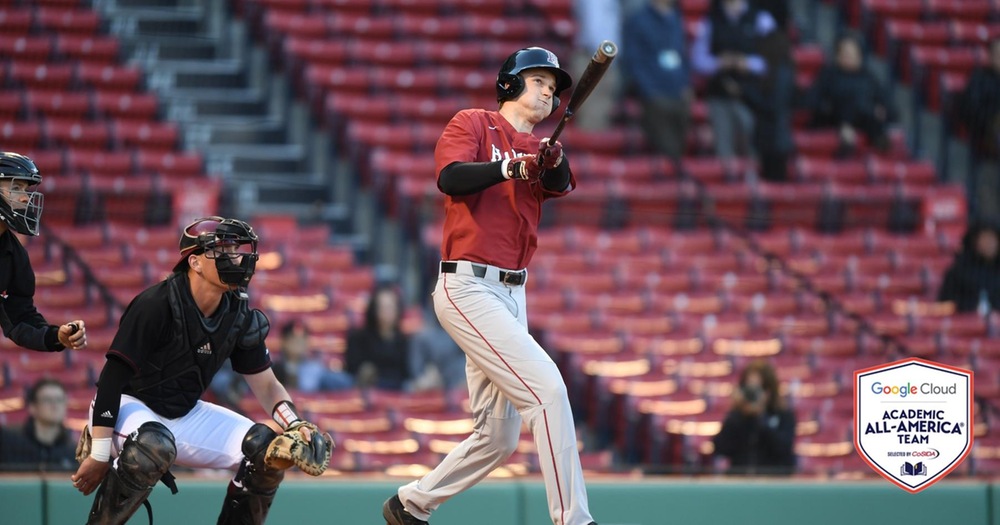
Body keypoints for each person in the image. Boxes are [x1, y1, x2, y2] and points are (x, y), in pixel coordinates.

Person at [382, 47, 597, 525]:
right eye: (539, 79)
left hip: (512, 293)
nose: (548, 90)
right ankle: (574, 520)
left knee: (498, 437)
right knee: (547, 392)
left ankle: (411, 504)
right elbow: (450, 177)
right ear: (510, 83)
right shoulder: (474, 123)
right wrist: (512, 167)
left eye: (553, 86)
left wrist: (549, 159)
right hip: (468, 285)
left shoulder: (539, 150)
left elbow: (561, 183)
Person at [71, 216, 328, 525]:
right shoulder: (157, 303)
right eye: (222, 250)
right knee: (153, 444)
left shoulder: (238, 313)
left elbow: (267, 385)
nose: (234, 257)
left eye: (235, 249)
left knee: (265, 450)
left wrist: (295, 424)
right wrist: (100, 453)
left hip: (182, 412)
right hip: (127, 405)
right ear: (194, 261)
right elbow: (111, 380)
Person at [0, 151, 87, 353]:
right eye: (15, 187)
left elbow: (19, 319)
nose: (24, 197)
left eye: (25, 189)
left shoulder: (15, 256)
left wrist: (57, 336)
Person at [691, 0, 777, 159]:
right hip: (720, 95)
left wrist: (747, 63)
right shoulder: (711, 19)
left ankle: (753, 182)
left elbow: (776, 59)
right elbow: (697, 60)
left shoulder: (761, 18)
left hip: (753, 96)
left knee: (754, 150)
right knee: (723, 153)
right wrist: (719, 62)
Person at [621, 0, 693, 162]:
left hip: (678, 93)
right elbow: (634, 60)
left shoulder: (675, 18)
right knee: (666, 149)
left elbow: (682, 54)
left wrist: (686, 84)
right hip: (654, 96)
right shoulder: (638, 20)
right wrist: (649, 90)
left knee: (679, 147)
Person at [804, 32, 896, 156]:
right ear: (837, 55)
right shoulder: (828, 75)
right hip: (833, 122)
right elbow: (812, 101)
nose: (849, 57)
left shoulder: (869, 78)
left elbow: (891, 110)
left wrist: (883, 112)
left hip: (864, 122)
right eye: (845, 54)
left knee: (867, 111)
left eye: (853, 54)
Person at [712, 359, 796, 475]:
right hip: (741, 480)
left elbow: (783, 449)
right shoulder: (736, 417)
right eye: (749, 389)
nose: (752, 394)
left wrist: (761, 418)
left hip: (773, 480)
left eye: (757, 388)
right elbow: (720, 448)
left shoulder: (783, 415)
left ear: (768, 391)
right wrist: (739, 414)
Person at [0, 378, 77, 471]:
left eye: (59, 400)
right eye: (47, 400)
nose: (55, 406)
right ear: (32, 407)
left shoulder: (73, 451)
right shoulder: (8, 441)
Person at [345, 284, 411, 390]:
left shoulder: (405, 342)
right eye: (383, 307)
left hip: (397, 391)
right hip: (363, 390)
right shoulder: (358, 338)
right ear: (374, 309)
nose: (387, 312)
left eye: (391, 307)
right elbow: (351, 369)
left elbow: (407, 374)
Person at [570, 0, 621, 131]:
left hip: (605, 56)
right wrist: (605, 56)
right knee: (592, 112)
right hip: (595, 56)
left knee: (603, 109)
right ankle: (586, 148)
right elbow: (594, 28)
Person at [272, 319, 354, 391]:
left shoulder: (314, 368)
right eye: (293, 338)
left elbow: (346, 382)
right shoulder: (273, 366)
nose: (298, 343)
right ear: (284, 341)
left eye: (302, 339)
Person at [938, 222, 1000, 313]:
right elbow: (945, 304)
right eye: (985, 239)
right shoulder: (959, 271)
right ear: (975, 241)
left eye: (993, 240)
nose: (990, 244)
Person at [956, 39, 1000, 160]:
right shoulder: (979, 78)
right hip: (987, 128)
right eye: (998, 54)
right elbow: (970, 109)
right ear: (990, 56)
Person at [407, 308, 467, 393]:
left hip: (456, 387)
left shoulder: (461, 330)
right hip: (430, 386)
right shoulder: (422, 336)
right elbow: (416, 372)